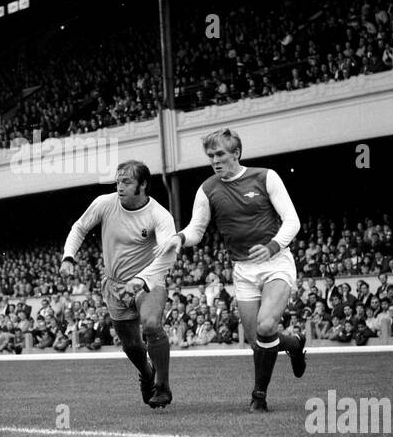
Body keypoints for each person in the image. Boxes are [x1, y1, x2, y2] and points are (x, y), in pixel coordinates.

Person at [161, 128, 306, 413]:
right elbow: (197, 230)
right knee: (257, 341)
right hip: (243, 271)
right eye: (211, 155)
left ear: (236, 153)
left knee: (266, 327)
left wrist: (273, 246)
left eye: (220, 154)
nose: (215, 160)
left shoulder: (266, 177)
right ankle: (294, 343)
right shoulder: (208, 188)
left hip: (276, 263)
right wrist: (179, 238)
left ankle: (258, 397)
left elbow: (292, 221)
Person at [61, 160, 178, 409]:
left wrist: (141, 280)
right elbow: (79, 228)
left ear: (143, 184)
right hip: (115, 286)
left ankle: (163, 385)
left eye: (126, 182)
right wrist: (68, 257)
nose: (120, 187)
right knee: (132, 346)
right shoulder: (105, 203)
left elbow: (169, 254)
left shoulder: (159, 215)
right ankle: (147, 373)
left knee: (151, 324)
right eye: (118, 181)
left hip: (149, 282)